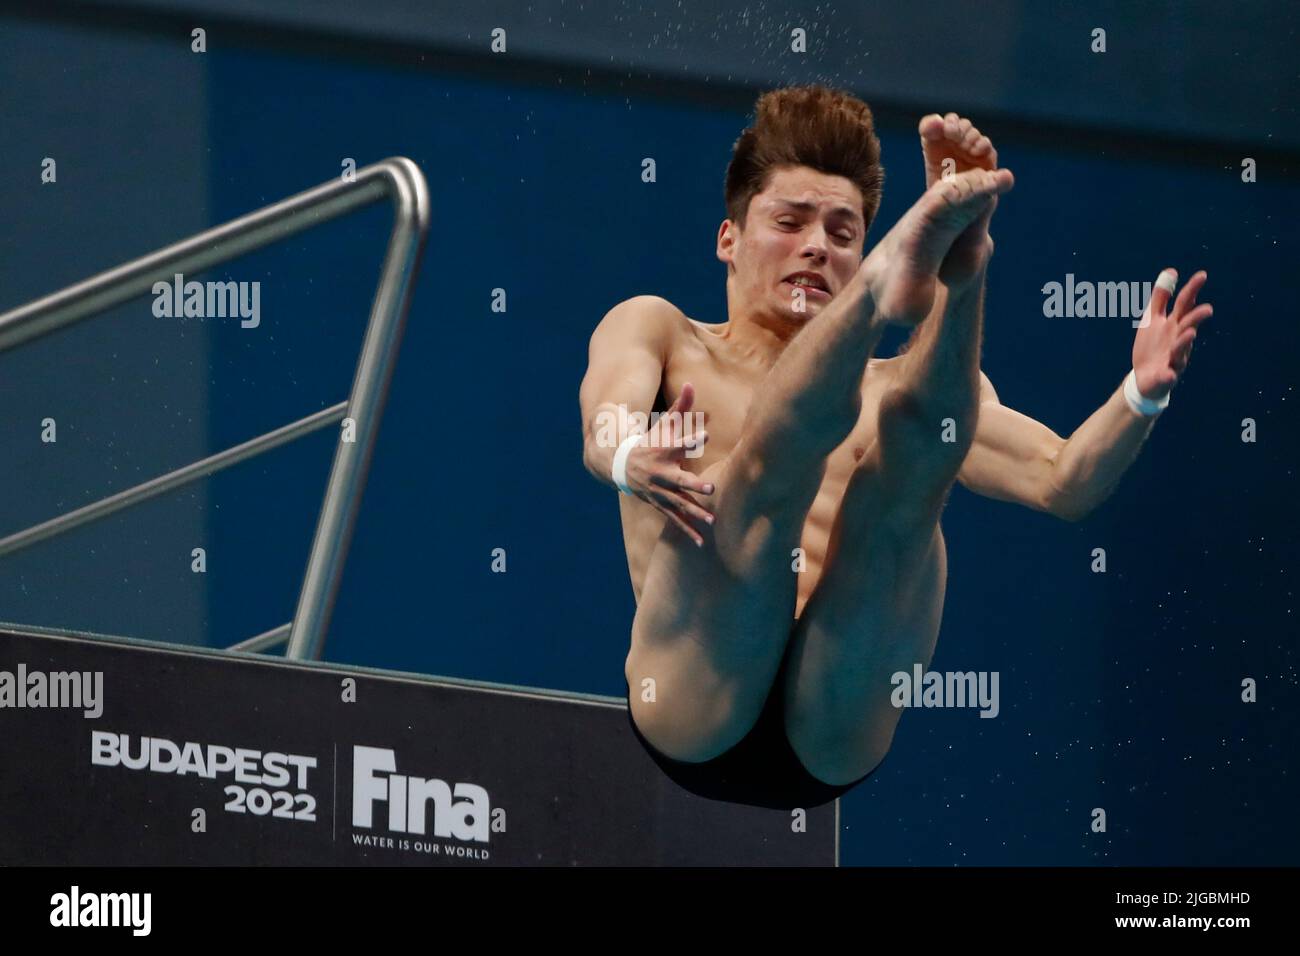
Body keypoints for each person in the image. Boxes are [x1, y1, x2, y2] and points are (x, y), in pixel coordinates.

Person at [578, 85, 1211, 810]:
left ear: (864, 256)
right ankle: (900, 284)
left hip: (837, 719)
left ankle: (963, 267)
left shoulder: (902, 387)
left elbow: (1063, 481)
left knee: (908, 475)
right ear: (729, 239)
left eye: (845, 235)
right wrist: (630, 458)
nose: (816, 245)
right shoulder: (659, 330)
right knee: (756, 469)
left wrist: (1142, 394)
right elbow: (606, 420)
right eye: (790, 222)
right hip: (694, 699)